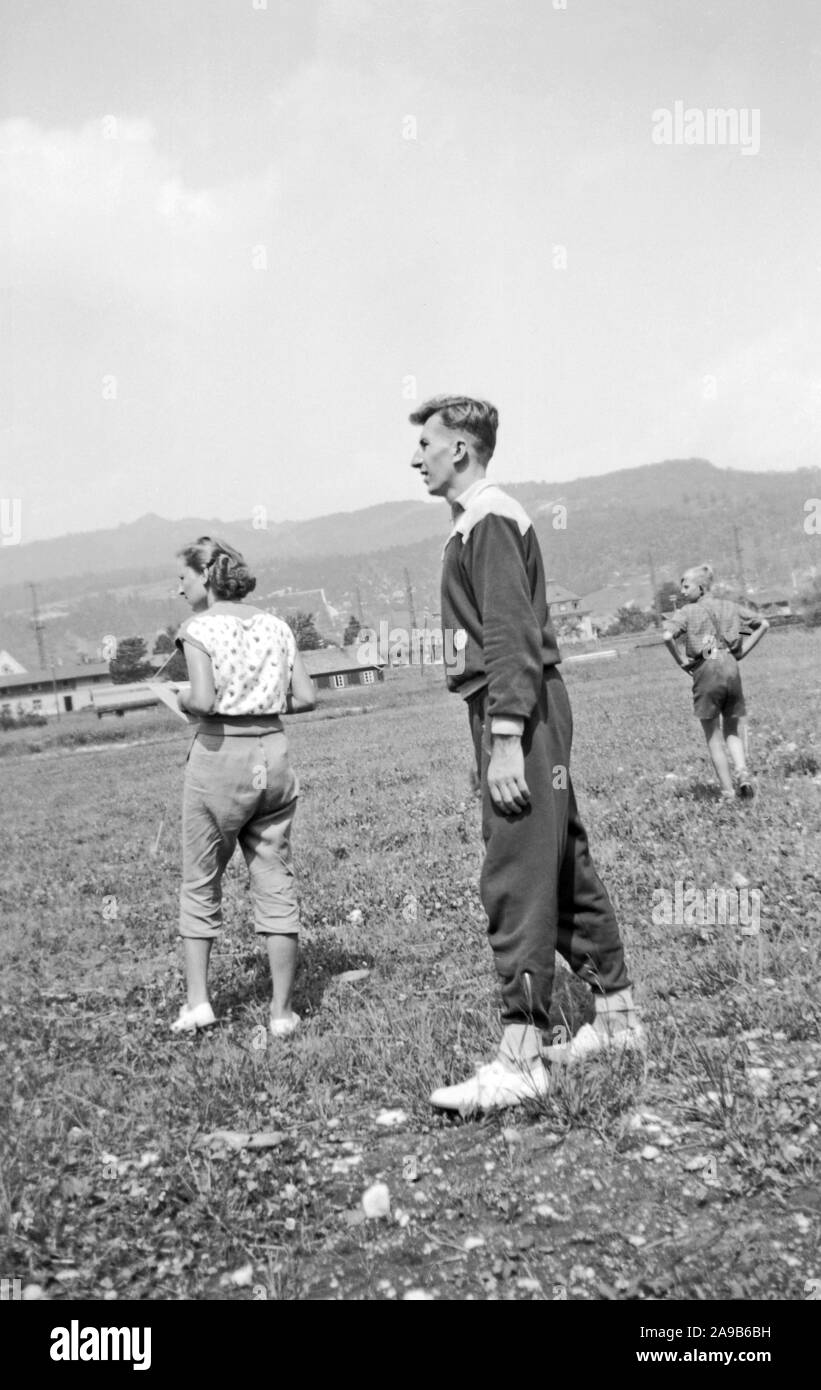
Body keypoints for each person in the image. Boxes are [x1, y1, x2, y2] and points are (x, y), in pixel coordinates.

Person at [409, 395, 644, 1115]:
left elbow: (509, 633)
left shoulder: (488, 520)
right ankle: (616, 1018)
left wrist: (505, 737)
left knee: (514, 867)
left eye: (426, 443)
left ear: (461, 449)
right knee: (561, 858)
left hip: (518, 708)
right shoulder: (479, 520)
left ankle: (521, 1056)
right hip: (524, 704)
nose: (414, 457)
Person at [170, 536, 316, 1036]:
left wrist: (182, 699)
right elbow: (308, 695)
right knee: (274, 878)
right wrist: (262, 701)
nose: (179, 587)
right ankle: (281, 1013)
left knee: (201, 878)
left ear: (206, 577)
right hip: (272, 756)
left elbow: (206, 701)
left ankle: (198, 1003)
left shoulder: (197, 628)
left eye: (184, 578)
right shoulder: (277, 625)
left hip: (220, 757)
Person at [662, 564, 768, 801]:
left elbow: (667, 636)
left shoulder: (688, 612)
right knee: (732, 729)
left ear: (700, 587)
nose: (682, 591)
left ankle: (729, 793)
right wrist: (741, 651)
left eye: (686, 586)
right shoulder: (729, 606)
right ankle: (743, 773)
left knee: (712, 735)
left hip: (707, 666)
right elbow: (762, 624)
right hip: (730, 665)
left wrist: (681, 662)